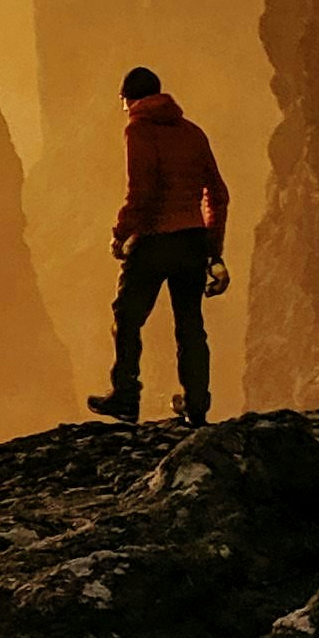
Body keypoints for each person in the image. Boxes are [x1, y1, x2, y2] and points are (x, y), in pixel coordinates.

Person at [88, 64, 231, 426]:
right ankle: (196, 405)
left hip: (154, 242)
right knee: (190, 323)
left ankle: (125, 396)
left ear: (128, 98)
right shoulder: (192, 132)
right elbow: (218, 194)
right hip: (192, 241)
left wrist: (121, 234)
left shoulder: (138, 130)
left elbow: (142, 192)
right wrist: (214, 250)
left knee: (127, 315)